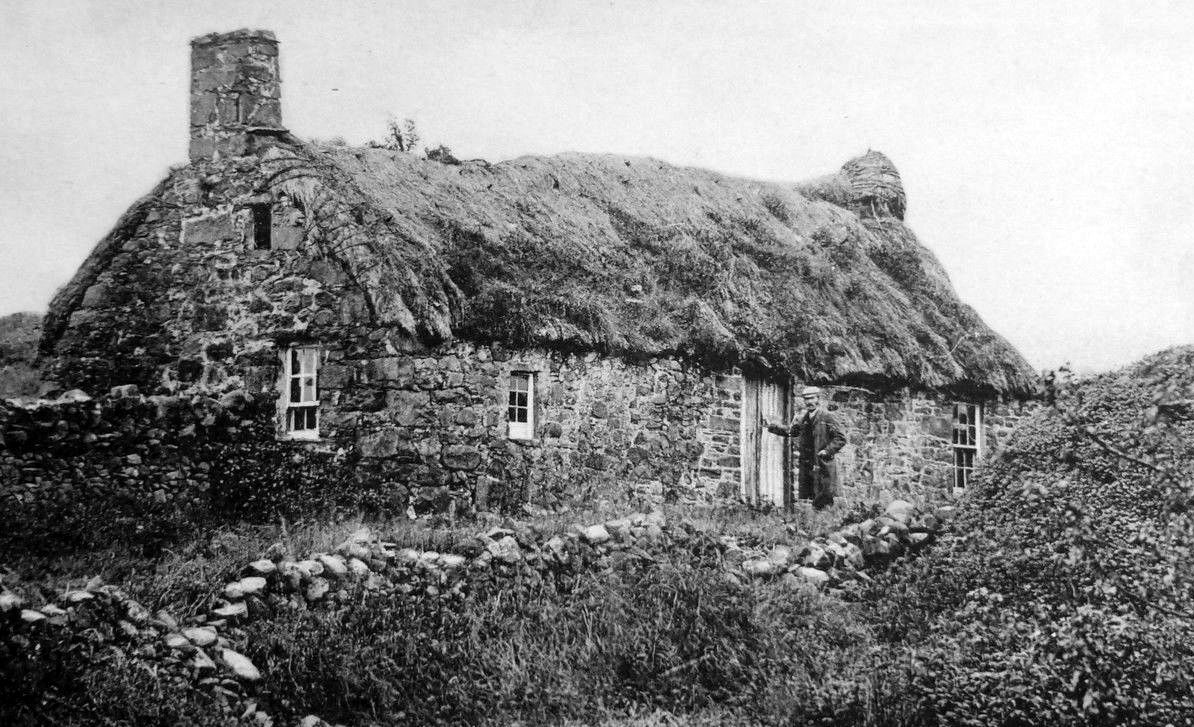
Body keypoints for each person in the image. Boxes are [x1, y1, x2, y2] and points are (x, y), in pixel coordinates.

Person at [763, 386, 846, 510]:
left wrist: (827, 450)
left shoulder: (827, 417)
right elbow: (792, 431)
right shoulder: (803, 418)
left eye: (812, 398)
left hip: (823, 464)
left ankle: (828, 517)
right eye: (806, 399)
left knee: (826, 497)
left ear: (818, 399)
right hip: (808, 465)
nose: (809, 402)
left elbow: (840, 438)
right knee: (811, 498)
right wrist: (772, 426)